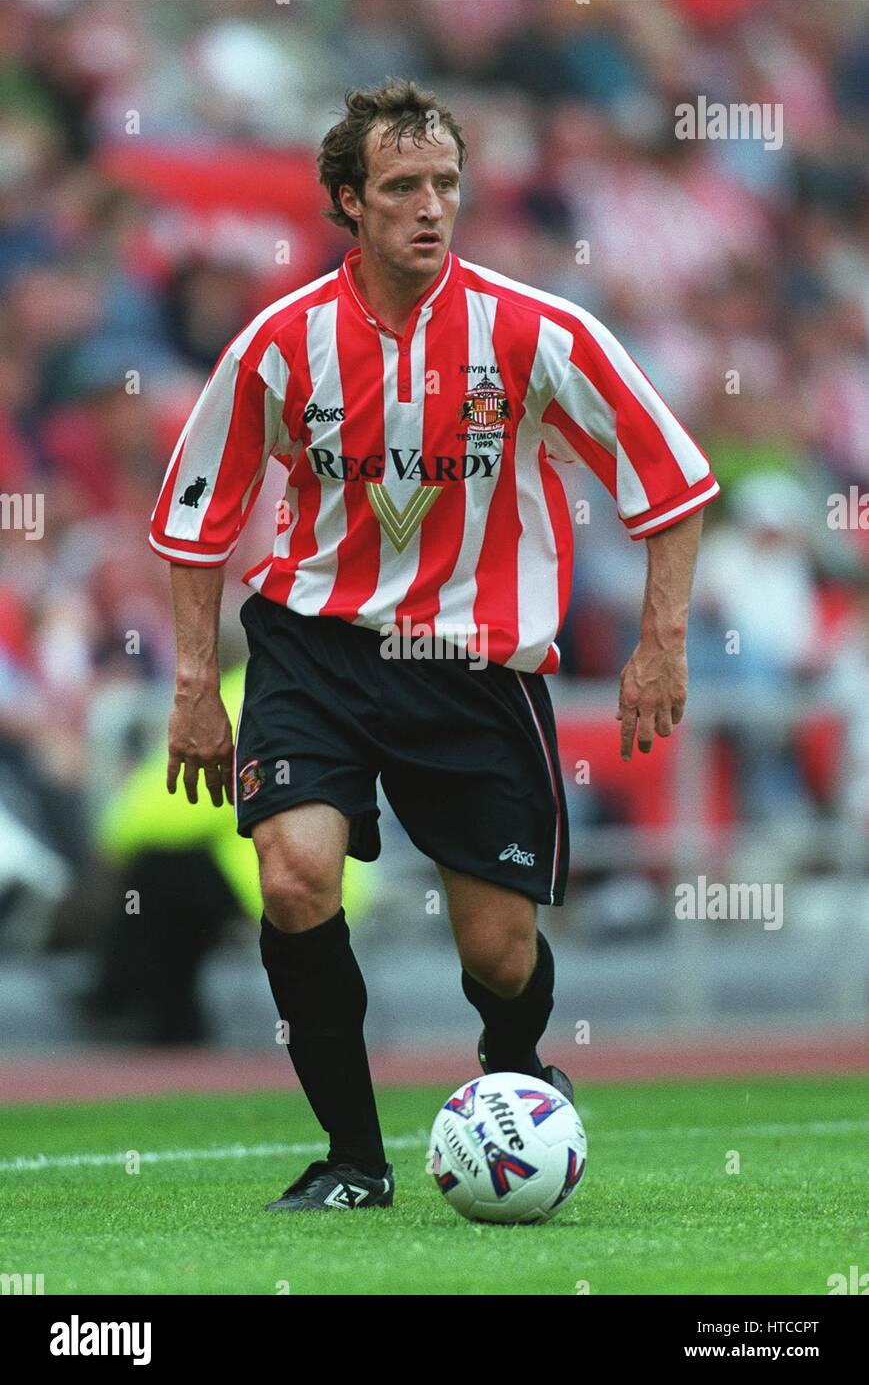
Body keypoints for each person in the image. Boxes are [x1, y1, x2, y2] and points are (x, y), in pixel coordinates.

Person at [148, 80, 718, 1213]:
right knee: (294, 873)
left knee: (499, 952)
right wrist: (194, 690)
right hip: (316, 648)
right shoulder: (278, 345)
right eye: (401, 186)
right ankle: (353, 1159)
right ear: (347, 202)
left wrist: (661, 646)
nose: (429, 206)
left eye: (445, 184)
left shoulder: (536, 331)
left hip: (474, 667)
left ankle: (515, 1067)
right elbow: (195, 516)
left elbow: (671, 481)